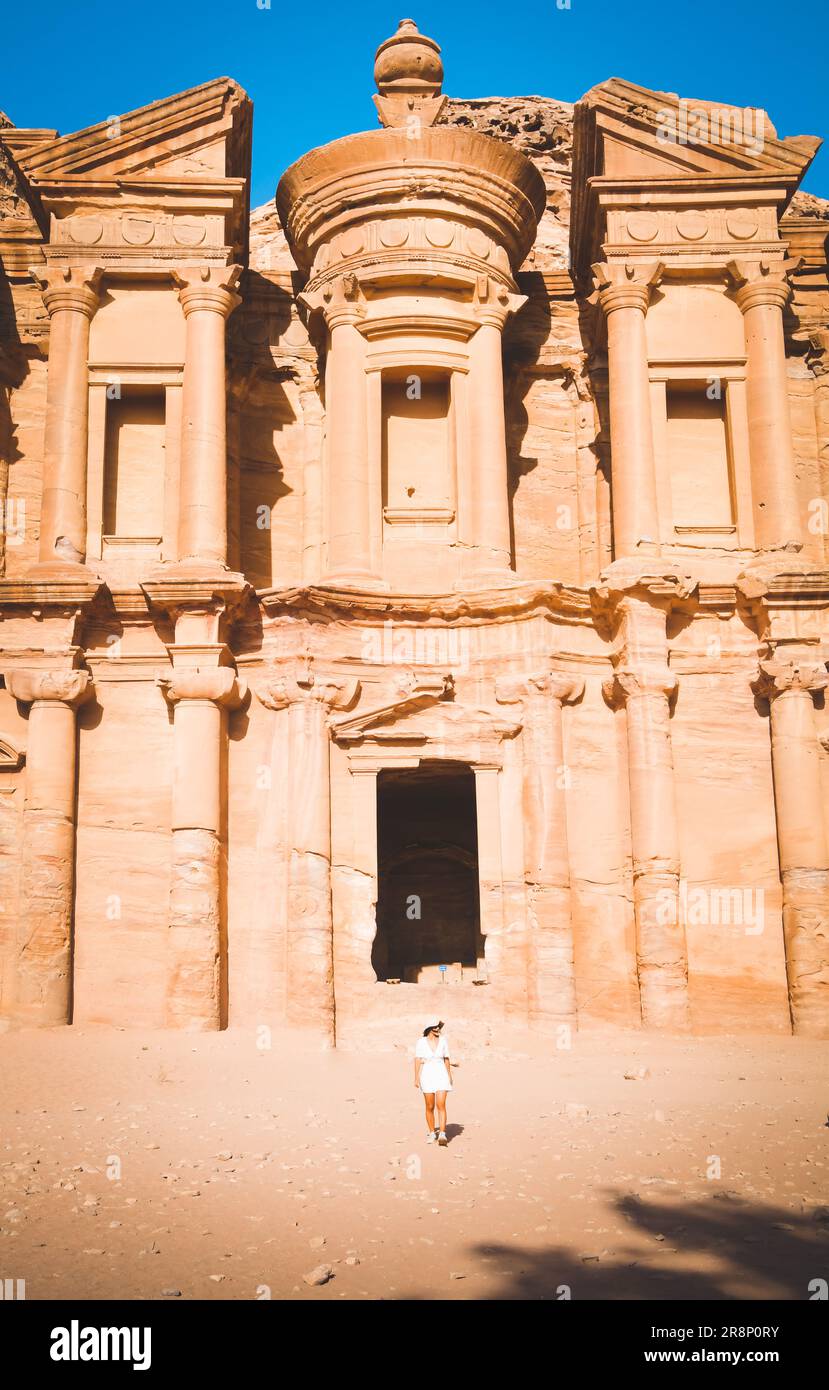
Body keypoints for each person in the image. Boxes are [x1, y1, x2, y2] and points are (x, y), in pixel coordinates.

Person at [414, 1020, 452, 1146]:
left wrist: (449, 1076)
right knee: (429, 1106)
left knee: (441, 1104)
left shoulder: (443, 1041)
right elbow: (418, 1059)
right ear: (429, 1028)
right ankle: (432, 1133)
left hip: (441, 1074)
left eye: (439, 1027)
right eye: (435, 1027)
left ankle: (442, 1134)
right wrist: (416, 1077)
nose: (438, 1029)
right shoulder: (421, 1042)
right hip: (427, 1075)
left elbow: (446, 1059)